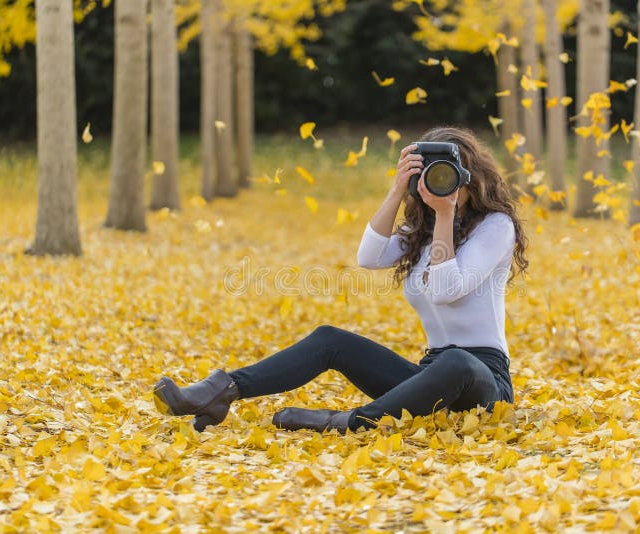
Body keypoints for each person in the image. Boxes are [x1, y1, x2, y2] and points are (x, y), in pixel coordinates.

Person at [152, 126, 529, 433]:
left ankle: (348, 421)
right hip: (429, 375)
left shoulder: (496, 226)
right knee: (330, 339)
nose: (445, 183)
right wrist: (398, 189)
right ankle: (223, 391)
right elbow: (368, 257)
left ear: (472, 177)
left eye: (451, 173)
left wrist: (445, 216)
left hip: (483, 383)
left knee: (458, 361)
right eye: (433, 173)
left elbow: (446, 291)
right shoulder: (424, 230)